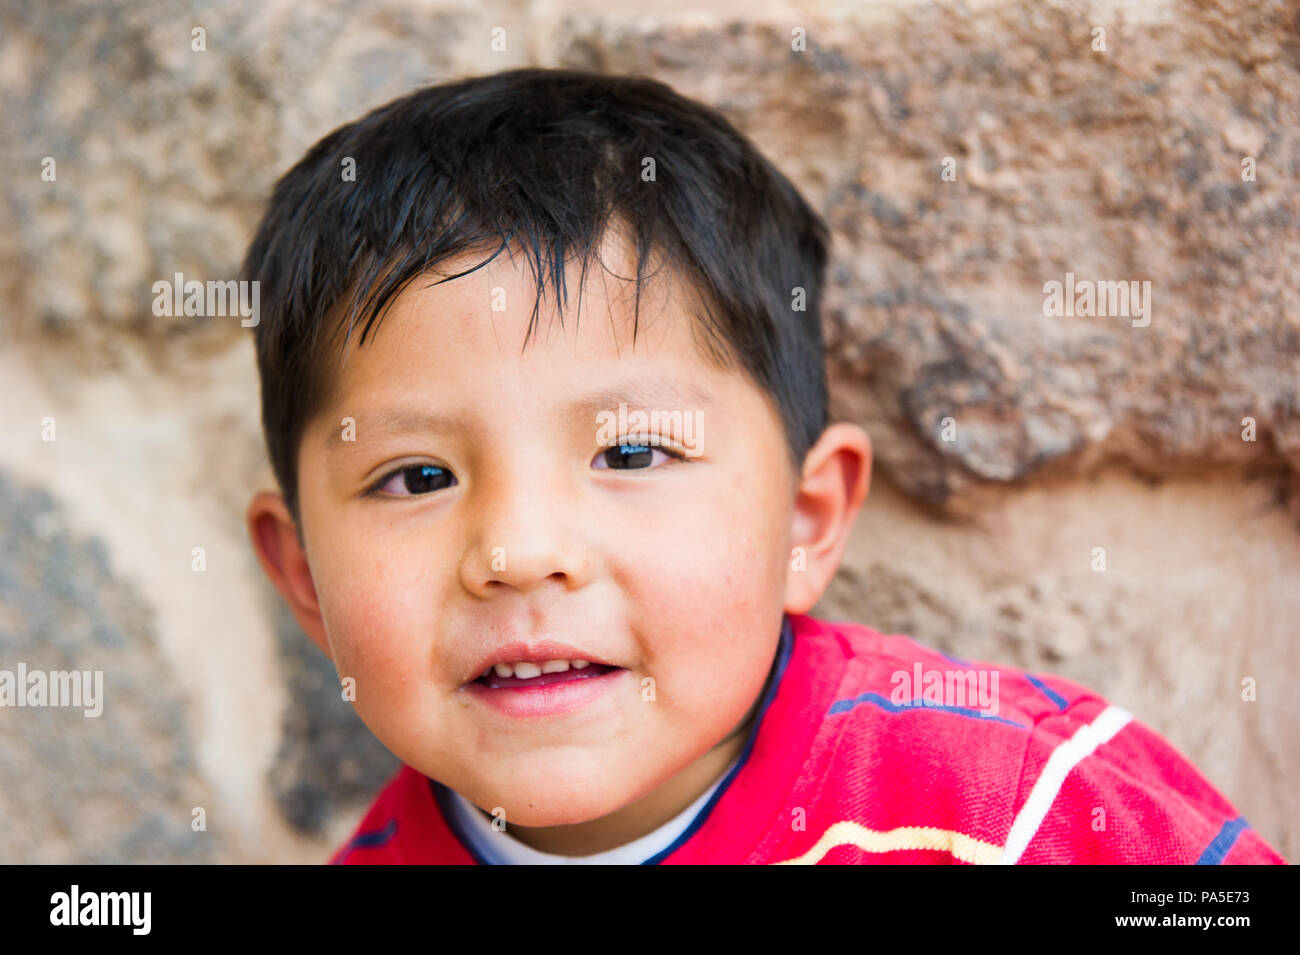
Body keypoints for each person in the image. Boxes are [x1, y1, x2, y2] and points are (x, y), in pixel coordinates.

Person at [241, 68, 1284, 864]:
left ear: (805, 519)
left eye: (631, 450)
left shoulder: (1016, 806)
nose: (517, 553)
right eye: (417, 477)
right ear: (303, 580)